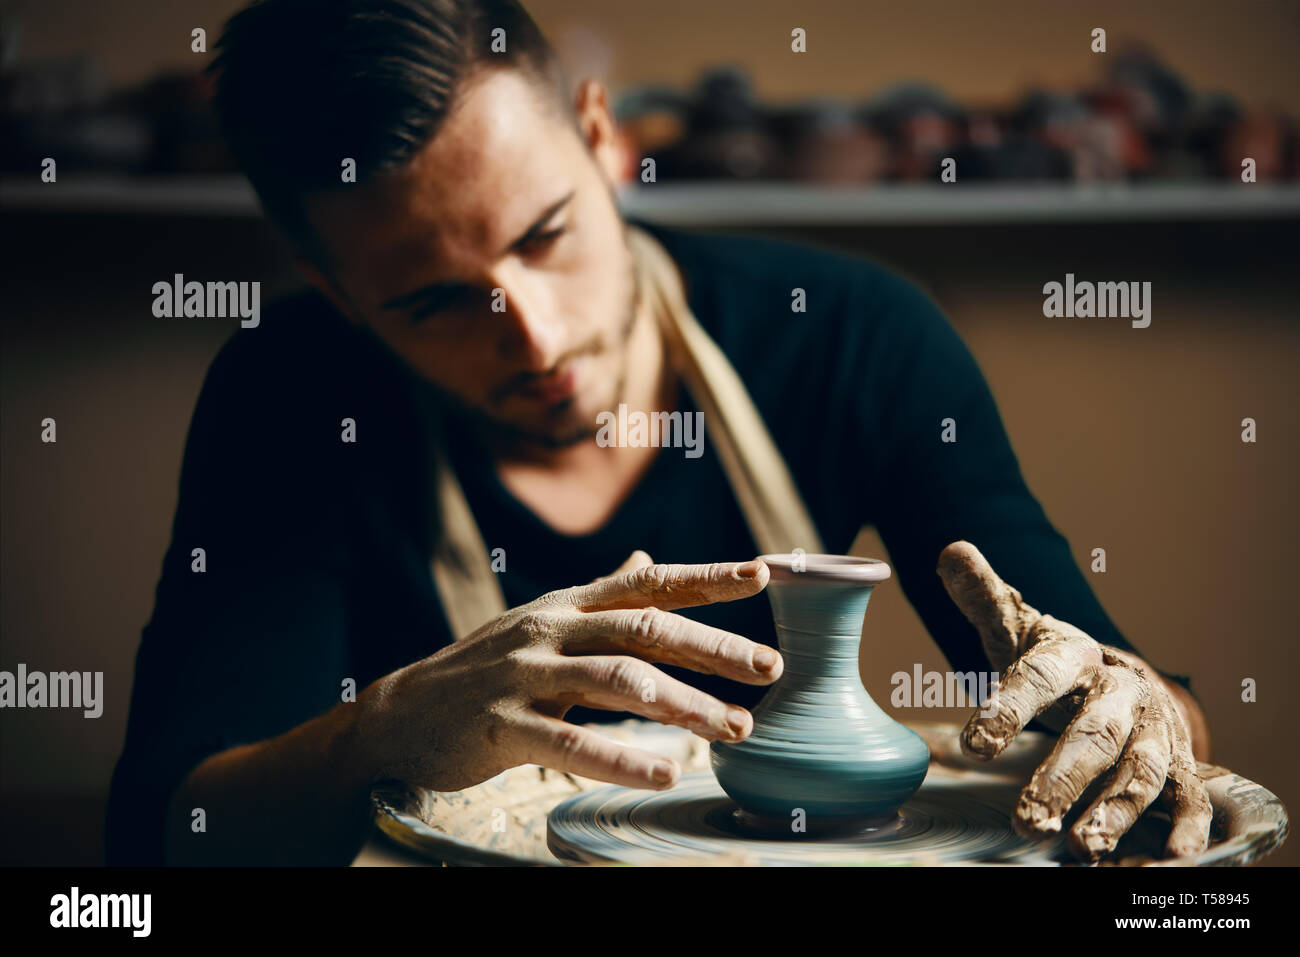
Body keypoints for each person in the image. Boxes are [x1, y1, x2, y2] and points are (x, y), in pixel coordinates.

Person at [107, 0, 1211, 866]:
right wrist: (383, 728)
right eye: (433, 300)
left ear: (601, 138)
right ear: (335, 290)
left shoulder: (848, 335)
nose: (532, 339)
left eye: (544, 236)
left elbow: (1154, 721)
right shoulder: (289, 394)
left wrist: (1135, 712)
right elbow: (169, 837)